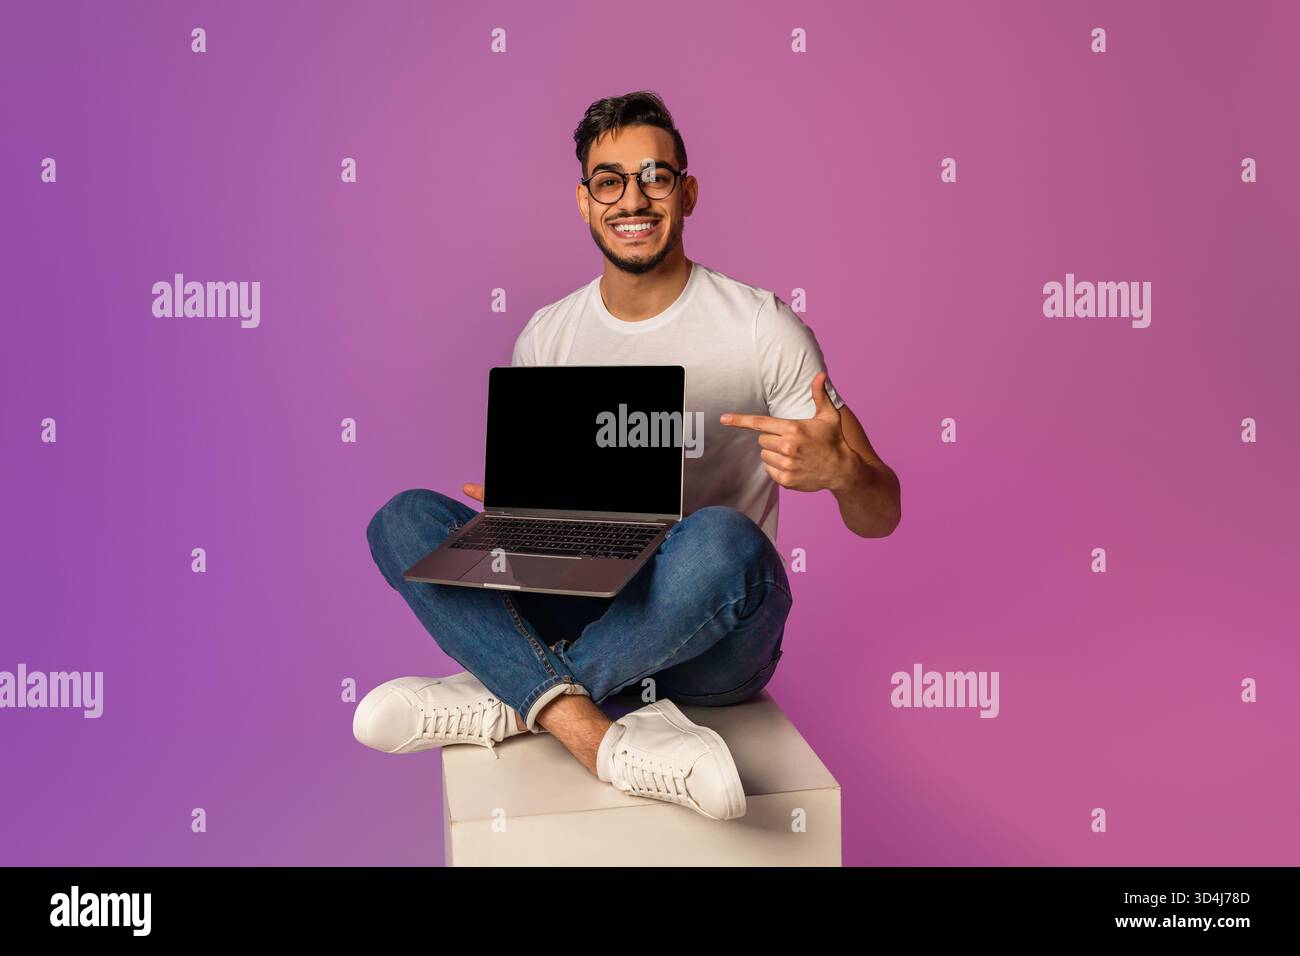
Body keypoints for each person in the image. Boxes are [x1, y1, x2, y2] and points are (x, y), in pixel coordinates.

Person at [355, 91, 901, 822]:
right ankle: (590, 728)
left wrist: (842, 475)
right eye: (609, 181)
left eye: (655, 176)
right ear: (585, 201)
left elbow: (882, 514)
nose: (632, 198)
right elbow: (554, 535)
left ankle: (518, 698)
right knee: (404, 520)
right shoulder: (547, 337)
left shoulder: (762, 326)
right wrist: (519, 515)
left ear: (687, 191)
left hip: (713, 635)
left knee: (723, 537)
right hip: (585, 601)